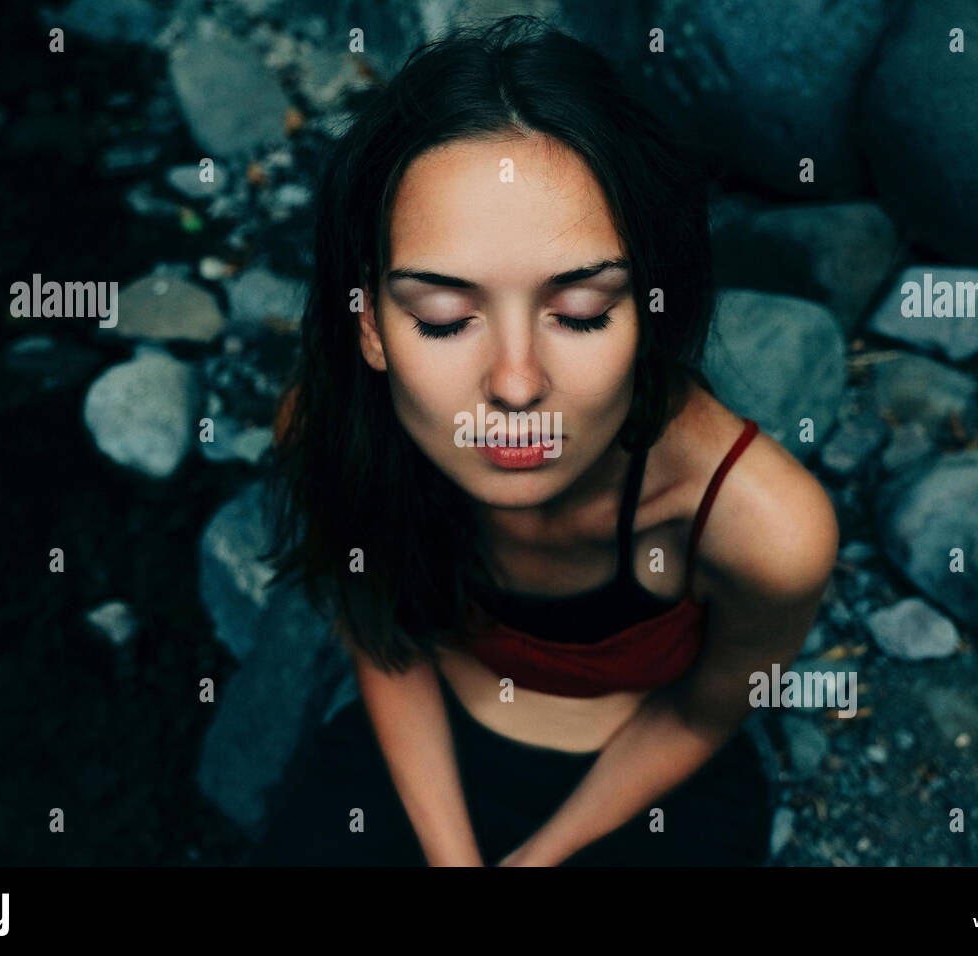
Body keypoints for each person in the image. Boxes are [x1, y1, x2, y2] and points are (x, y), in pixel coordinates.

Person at [250, 14, 839, 867]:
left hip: (641, 788)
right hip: (421, 755)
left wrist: (536, 860)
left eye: (582, 313)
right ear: (371, 326)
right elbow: (384, 640)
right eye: (444, 318)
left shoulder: (762, 527)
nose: (517, 382)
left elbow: (703, 712)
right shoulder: (330, 427)